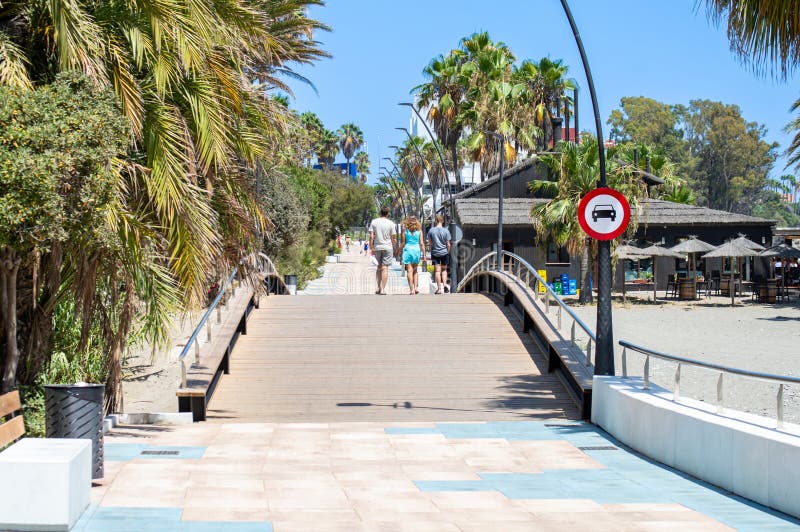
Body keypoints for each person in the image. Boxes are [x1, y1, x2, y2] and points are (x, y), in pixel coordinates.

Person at [369, 206, 397, 295]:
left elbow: (371, 236)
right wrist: (395, 248)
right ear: (388, 214)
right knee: (385, 268)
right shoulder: (391, 223)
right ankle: (383, 289)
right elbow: (393, 238)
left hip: (377, 247)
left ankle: (378, 287)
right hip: (388, 248)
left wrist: (371, 247)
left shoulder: (374, 222)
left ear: (380, 212)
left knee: (378, 268)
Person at [398, 216, 425, 295]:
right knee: (415, 270)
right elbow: (422, 243)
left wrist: (397, 251)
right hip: (416, 251)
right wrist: (424, 255)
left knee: (409, 271)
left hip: (408, 251)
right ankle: (416, 288)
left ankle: (411, 289)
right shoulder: (419, 231)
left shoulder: (405, 231)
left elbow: (403, 243)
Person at [427, 215, 452, 294]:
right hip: (444, 253)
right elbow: (448, 244)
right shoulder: (446, 231)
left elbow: (430, 243)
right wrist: (448, 252)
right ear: (442, 221)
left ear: (436, 221)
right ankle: (445, 285)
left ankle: (439, 289)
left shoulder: (431, 230)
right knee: (444, 270)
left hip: (435, 253)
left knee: (437, 271)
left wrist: (431, 250)